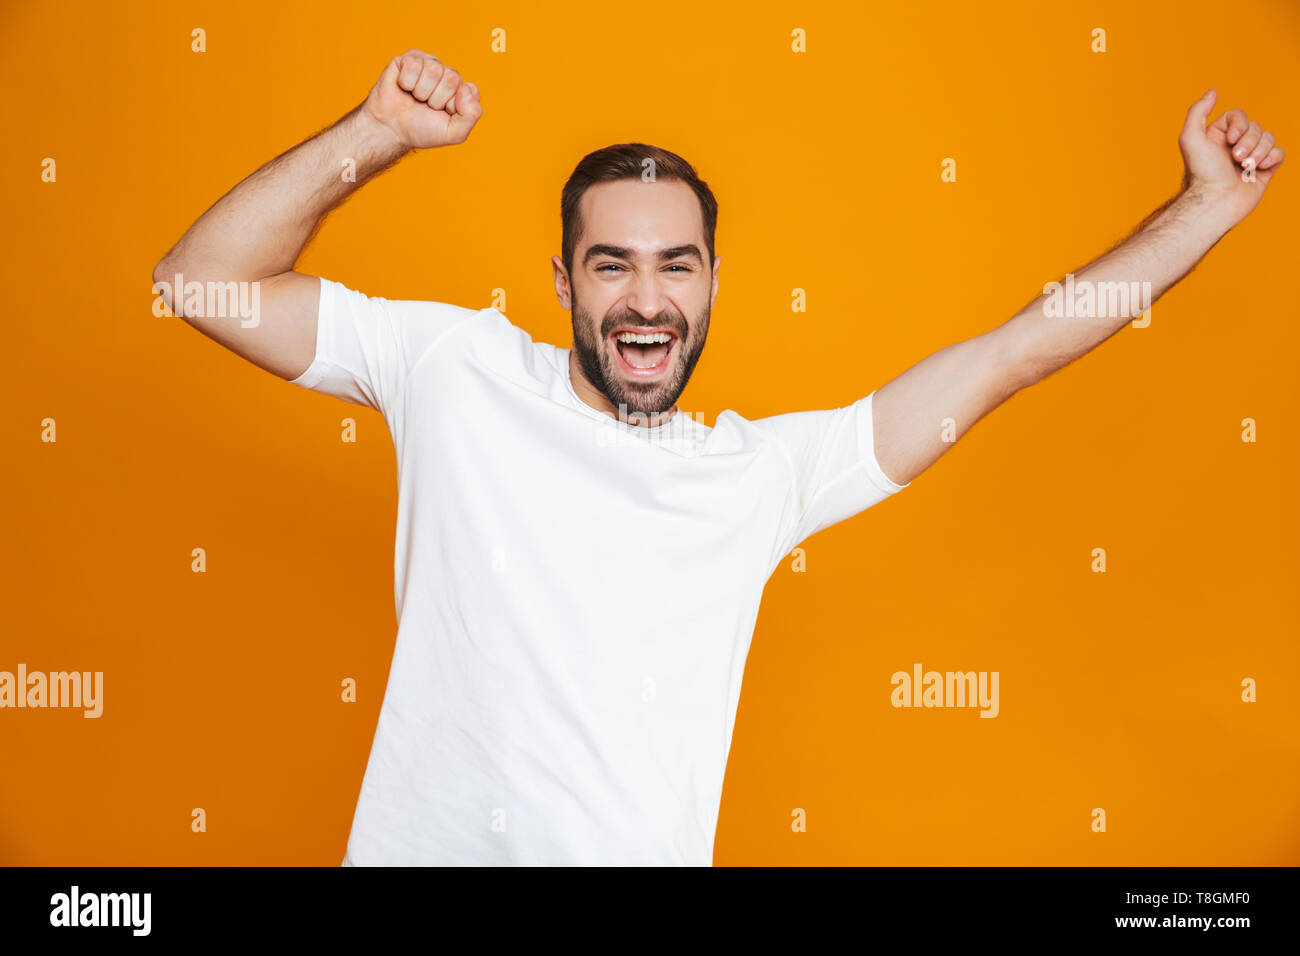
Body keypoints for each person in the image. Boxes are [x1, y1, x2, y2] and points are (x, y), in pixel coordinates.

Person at [152, 49, 1284, 865]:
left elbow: (1008, 357)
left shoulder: (761, 477)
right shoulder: (452, 368)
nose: (646, 300)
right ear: (561, 282)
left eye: (676, 265)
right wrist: (379, 134)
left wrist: (1207, 206)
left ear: (712, 280)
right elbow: (201, 283)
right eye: (610, 266)